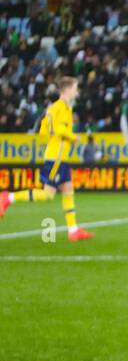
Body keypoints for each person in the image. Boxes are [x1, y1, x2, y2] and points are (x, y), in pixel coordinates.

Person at [0, 77, 94, 240]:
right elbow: (56, 128)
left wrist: (59, 135)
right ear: (67, 89)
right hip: (56, 157)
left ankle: (73, 230)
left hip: (59, 157)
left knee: (68, 189)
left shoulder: (59, 108)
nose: (77, 92)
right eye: (75, 88)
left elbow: (44, 130)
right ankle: (7, 197)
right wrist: (72, 137)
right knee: (47, 194)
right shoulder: (60, 107)